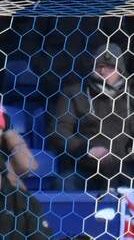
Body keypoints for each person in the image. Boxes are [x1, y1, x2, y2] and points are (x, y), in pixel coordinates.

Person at [47, 42, 133, 192]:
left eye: (110, 67)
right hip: (85, 168)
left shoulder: (130, 97)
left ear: (120, 71)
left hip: (125, 169)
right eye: (99, 66)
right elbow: (58, 131)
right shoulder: (74, 94)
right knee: (64, 183)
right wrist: (87, 149)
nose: (103, 71)